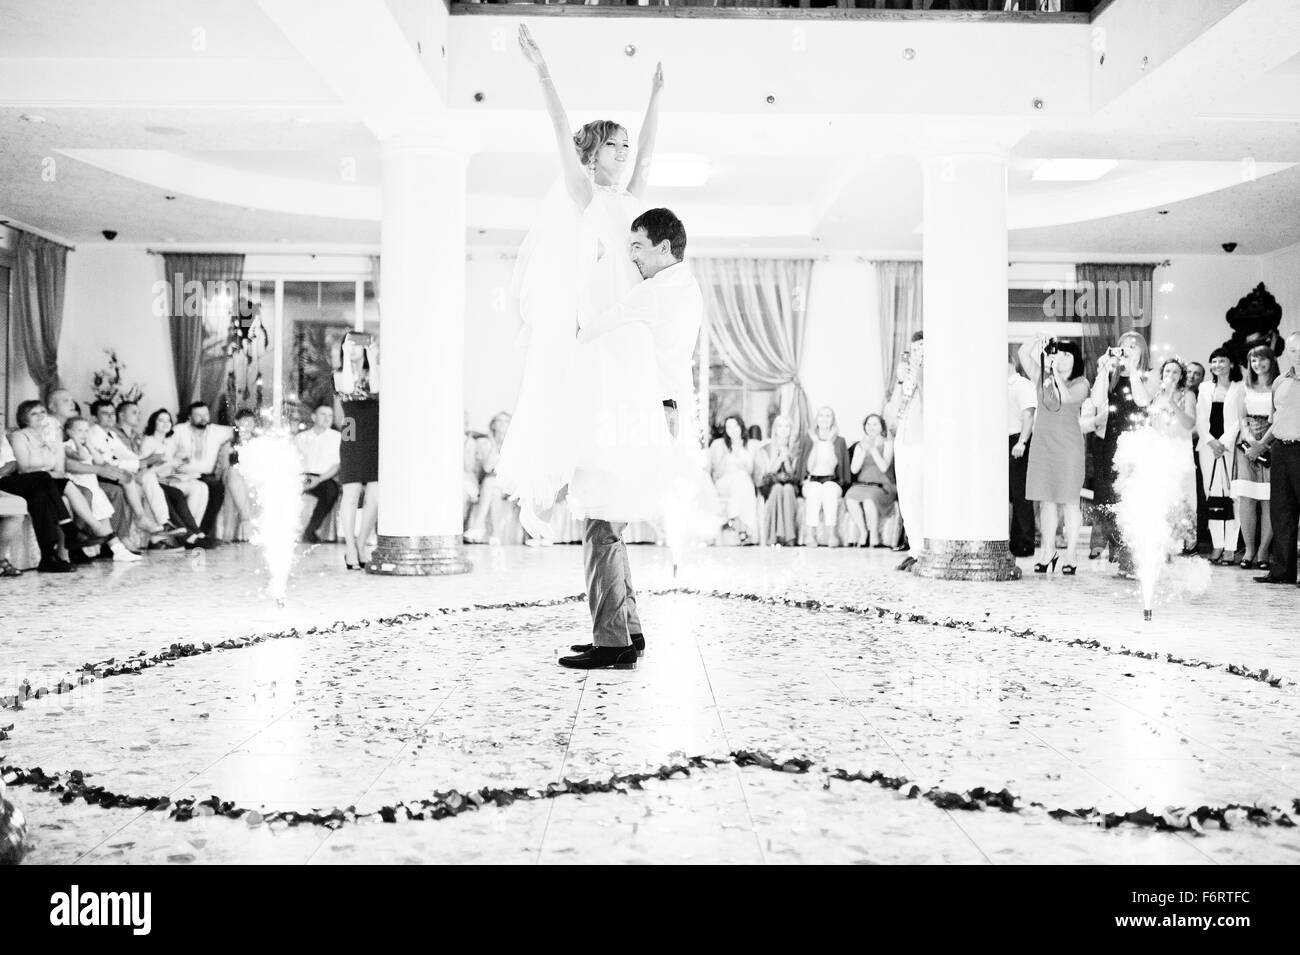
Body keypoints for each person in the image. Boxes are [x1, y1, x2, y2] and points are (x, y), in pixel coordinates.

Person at [497, 23, 665, 550]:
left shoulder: (631, 203)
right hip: (591, 327)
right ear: (591, 156)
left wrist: (655, 98)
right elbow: (559, 128)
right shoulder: (583, 195)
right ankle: (552, 495)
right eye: (612, 145)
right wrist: (544, 71)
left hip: (623, 327)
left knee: (619, 425)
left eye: (624, 145)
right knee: (576, 412)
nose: (622, 152)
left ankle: (614, 504)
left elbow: (648, 158)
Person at [1021, 337, 1088, 574]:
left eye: (1064, 354)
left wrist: (1053, 372)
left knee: (1070, 500)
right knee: (1045, 500)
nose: (1058, 356)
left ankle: (1071, 553)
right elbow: (1022, 354)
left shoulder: (1081, 382)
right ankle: (1048, 551)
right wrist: (1038, 338)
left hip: (1069, 447)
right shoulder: (1042, 376)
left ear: (1072, 359)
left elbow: (1067, 398)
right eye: (1056, 352)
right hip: (1043, 444)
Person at [1090, 331, 1152, 575]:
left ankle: (1133, 558)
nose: (1127, 350)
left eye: (1133, 346)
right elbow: (1096, 400)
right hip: (1112, 444)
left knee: (1133, 501)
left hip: (1136, 443)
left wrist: (1133, 369)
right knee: (1113, 500)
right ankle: (1121, 556)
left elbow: (1142, 401)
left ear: (1142, 351)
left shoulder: (1148, 375)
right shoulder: (1112, 376)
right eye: (1123, 346)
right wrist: (1104, 370)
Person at [1250, 332, 1300, 586]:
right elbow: (1275, 419)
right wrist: (1262, 445)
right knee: (1282, 512)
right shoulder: (1280, 381)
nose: (1298, 355)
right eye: (1293, 351)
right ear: (1287, 352)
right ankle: (1282, 571)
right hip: (1280, 449)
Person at [334, 333, 380, 570]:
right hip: (352, 437)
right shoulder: (339, 375)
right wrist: (345, 354)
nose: (353, 350)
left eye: (356, 346)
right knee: (350, 494)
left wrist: (373, 360)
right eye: (349, 345)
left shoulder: (376, 370)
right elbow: (349, 389)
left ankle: (361, 544)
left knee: (375, 496)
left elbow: (375, 388)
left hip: (375, 437)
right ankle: (350, 547)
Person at [0, 429, 73, 572]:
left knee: (40, 495)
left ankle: (48, 557)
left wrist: (3, 471)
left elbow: (12, 463)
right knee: (42, 477)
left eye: (1, 415)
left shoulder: (2, 437)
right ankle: (69, 528)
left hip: (4, 479)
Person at [1232, 345, 1278, 570]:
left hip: (1272, 440)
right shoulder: (1244, 387)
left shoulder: (1279, 385)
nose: (1258, 365)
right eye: (1253, 361)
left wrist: (1263, 444)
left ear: (1271, 360)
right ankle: (1249, 550)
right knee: (1247, 499)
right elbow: (1242, 419)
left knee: (1269, 499)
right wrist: (1251, 441)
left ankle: (1263, 552)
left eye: (1262, 360)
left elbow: (1280, 418)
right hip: (1246, 443)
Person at [1147, 358, 1199, 554]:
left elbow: (1189, 424)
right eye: (1167, 371)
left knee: (1182, 495)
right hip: (1161, 449)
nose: (1171, 375)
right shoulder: (1155, 395)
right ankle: (1161, 544)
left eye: (1175, 372)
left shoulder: (1188, 395)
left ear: (1181, 376)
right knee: (1161, 496)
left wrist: (1172, 404)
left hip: (1180, 449)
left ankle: (1181, 542)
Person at [1196, 347, 1242, 564]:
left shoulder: (1240, 387)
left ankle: (1231, 547)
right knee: (1212, 495)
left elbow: (1240, 420)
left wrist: (1223, 442)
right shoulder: (1205, 387)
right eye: (1213, 361)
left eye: (1221, 361)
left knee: (1233, 496)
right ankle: (1217, 545)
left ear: (1231, 363)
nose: (1217, 365)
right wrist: (1211, 441)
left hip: (1230, 447)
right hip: (1208, 447)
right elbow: (1200, 418)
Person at [140, 408, 210, 548]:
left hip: (168, 479)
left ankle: (195, 530)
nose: (165, 423)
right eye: (161, 420)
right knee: (176, 493)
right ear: (153, 423)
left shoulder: (168, 442)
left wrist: (179, 466)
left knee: (201, 486)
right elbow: (147, 470)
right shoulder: (148, 441)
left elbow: (170, 468)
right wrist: (172, 462)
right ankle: (188, 533)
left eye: (168, 420)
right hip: (154, 481)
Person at [888, 331, 925, 569]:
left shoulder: (932, 375)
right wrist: (901, 381)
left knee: (918, 494)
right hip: (902, 440)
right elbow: (891, 412)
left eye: (922, 347)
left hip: (922, 441)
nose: (918, 352)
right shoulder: (906, 377)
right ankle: (915, 548)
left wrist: (920, 376)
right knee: (906, 497)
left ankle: (924, 549)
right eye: (915, 348)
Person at [171, 401, 232, 540]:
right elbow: (167, 451)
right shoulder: (179, 430)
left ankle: (202, 532)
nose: (203, 418)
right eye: (198, 415)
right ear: (189, 418)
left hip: (205, 476)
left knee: (216, 487)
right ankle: (192, 532)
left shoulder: (216, 431)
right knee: (207, 486)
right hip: (182, 475)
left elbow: (237, 430)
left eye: (205, 414)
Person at [796, 406, 851, 547]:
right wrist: (816, 444)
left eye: (828, 416)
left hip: (832, 480)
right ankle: (810, 534)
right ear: (816, 419)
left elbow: (837, 466)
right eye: (821, 415)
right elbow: (808, 467)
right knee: (814, 490)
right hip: (812, 480)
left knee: (829, 490)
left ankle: (831, 534)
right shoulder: (808, 439)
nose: (824, 419)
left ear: (833, 420)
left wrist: (829, 443)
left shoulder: (839, 441)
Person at [844, 413, 896, 548]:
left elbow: (884, 467)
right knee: (850, 498)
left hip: (882, 485)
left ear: (881, 427)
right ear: (865, 427)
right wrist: (862, 450)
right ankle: (863, 533)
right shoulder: (859, 445)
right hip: (862, 484)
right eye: (869, 424)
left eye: (875, 424)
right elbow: (854, 469)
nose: (871, 427)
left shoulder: (888, 443)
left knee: (869, 500)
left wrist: (872, 448)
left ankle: (874, 535)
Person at [708, 415, 760, 544]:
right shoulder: (718, 444)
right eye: (728, 427)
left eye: (735, 425)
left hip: (743, 484)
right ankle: (744, 529)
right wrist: (728, 455)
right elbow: (717, 472)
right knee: (741, 480)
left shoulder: (750, 445)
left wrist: (740, 455)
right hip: (723, 483)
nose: (732, 429)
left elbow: (750, 471)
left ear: (741, 427)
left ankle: (735, 521)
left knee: (742, 479)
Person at [295, 402, 342, 543]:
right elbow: (294, 462)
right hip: (302, 477)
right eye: (323, 414)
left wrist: (319, 479)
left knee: (330, 492)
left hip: (325, 478)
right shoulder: (301, 437)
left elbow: (338, 465)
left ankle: (310, 531)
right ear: (314, 417)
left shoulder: (337, 437)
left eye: (330, 416)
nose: (327, 418)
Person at [1007, 350, 1038, 558]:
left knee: (1021, 494)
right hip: (1002, 440)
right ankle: (1014, 541)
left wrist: (1022, 442)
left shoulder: (1022, 385)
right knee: (1010, 494)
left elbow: (1029, 415)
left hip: (1018, 438)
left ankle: (1025, 542)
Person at [758, 414, 800, 546]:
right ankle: (776, 536)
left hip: (790, 485)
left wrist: (786, 458)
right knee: (777, 489)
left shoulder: (796, 449)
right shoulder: (766, 448)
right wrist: (779, 459)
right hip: (770, 485)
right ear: (775, 429)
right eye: (780, 426)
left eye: (787, 426)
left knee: (787, 489)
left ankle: (789, 536)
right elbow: (766, 473)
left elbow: (794, 475)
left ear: (791, 429)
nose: (783, 429)